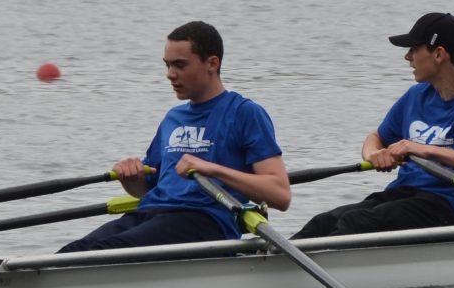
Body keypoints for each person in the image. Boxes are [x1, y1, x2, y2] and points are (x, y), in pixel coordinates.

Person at [60, 21, 291, 253]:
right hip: (150, 213)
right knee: (72, 251)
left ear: (212, 63)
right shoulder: (173, 117)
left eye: (180, 65)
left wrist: (212, 169)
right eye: (168, 65)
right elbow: (147, 189)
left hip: (203, 220)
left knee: (105, 250)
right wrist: (131, 177)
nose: (170, 75)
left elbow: (280, 194)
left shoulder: (245, 113)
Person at [296, 12, 454, 238]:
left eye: (414, 49)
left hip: (447, 208)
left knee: (354, 224)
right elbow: (376, 137)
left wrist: (425, 150)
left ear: (438, 54)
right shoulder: (415, 96)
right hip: (402, 196)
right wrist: (374, 154)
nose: (407, 57)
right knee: (322, 223)